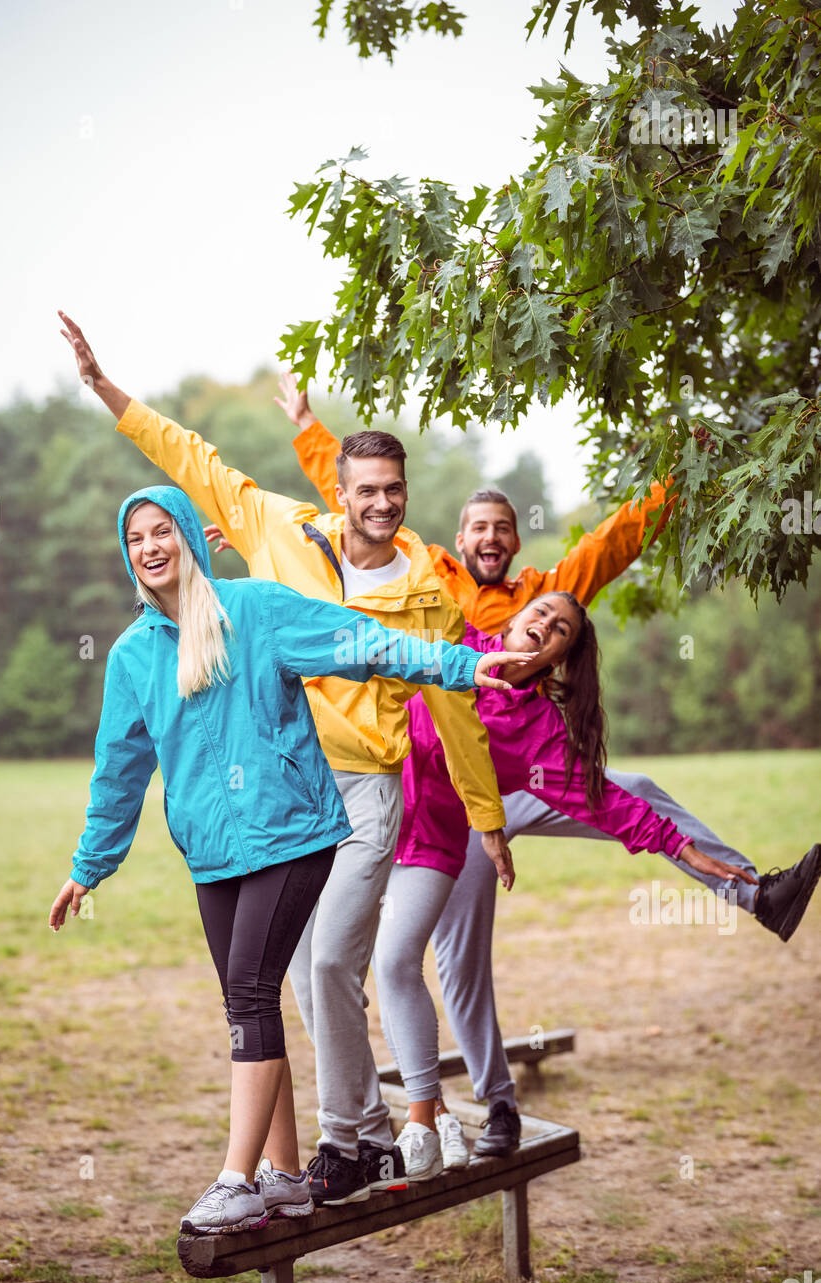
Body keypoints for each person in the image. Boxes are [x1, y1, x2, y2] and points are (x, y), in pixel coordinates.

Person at [279, 375, 821, 1157]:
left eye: (503, 527)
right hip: (450, 803)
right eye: (477, 528)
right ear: (459, 540)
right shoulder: (435, 585)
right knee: (452, 961)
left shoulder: (549, 596)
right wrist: (306, 430)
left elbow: (615, 538)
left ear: (519, 545)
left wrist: (676, 479)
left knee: (632, 795)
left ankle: (752, 889)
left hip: (524, 783)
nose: (491, 538)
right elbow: (357, 503)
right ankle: (491, 1106)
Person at [57, 312, 511, 1207]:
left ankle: (338, 1146)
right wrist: (105, 389)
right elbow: (190, 461)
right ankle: (309, 1159)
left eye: (394, 489)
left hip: (347, 795)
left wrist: (484, 797)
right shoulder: (267, 543)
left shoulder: (397, 589)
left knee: (319, 967)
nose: (380, 503)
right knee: (283, 981)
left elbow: (412, 676)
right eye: (364, 487)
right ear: (338, 490)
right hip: (252, 816)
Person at [372, 593, 770, 1177]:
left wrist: (685, 848)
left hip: (433, 840)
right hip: (365, 809)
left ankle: (429, 1118)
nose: (544, 626)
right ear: (510, 619)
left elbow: (603, 799)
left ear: (560, 658)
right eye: (538, 614)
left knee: (394, 963)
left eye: (560, 629)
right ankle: (391, 1120)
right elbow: (375, 591)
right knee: (329, 972)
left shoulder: (536, 730)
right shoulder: (456, 642)